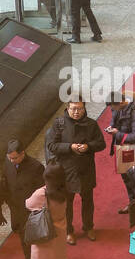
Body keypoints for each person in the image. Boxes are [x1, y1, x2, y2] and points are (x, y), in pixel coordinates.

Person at [45, 98, 105, 244]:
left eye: (79, 109)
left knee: (88, 202)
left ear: (84, 108)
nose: (76, 112)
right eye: (73, 109)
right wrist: (70, 147)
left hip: (86, 169)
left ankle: (88, 227)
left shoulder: (91, 124)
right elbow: (51, 145)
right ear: (67, 108)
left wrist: (88, 147)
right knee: (68, 204)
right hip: (66, 170)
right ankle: (69, 231)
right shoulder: (59, 124)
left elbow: (101, 143)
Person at [25, 162, 74, 259]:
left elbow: (28, 204)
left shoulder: (42, 193)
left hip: (45, 231)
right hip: (60, 229)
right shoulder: (65, 190)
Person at [0, 138, 45, 259]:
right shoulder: (8, 163)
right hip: (16, 210)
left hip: (32, 213)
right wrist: (9, 203)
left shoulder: (36, 167)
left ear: (23, 153)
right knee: (23, 240)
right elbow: (6, 183)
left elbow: (42, 192)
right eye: (10, 158)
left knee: (35, 244)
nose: (12, 161)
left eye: (14, 158)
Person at [106, 89, 135, 224]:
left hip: (132, 150)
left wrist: (117, 134)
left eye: (113, 107)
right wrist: (111, 127)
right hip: (121, 148)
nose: (112, 110)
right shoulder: (116, 106)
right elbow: (114, 118)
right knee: (126, 178)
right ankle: (133, 203)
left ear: (121, 102)